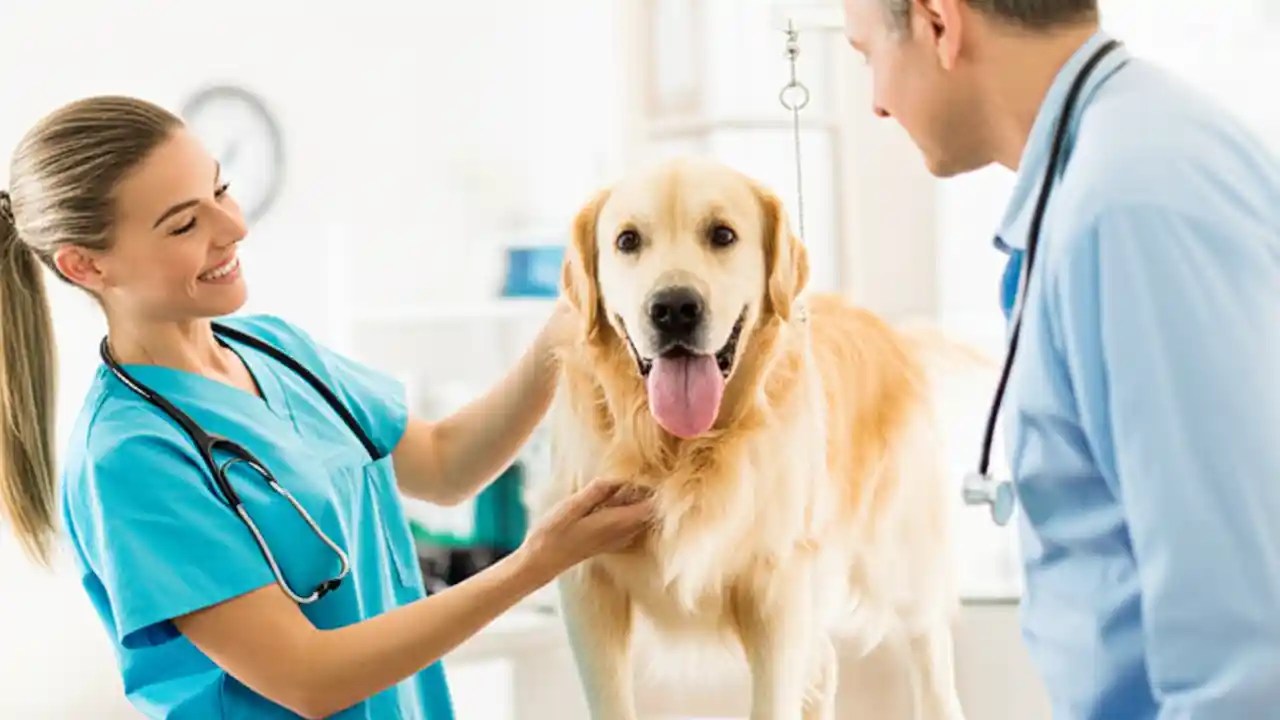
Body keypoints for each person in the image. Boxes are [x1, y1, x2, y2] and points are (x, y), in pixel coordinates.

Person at [0, 95, 655, 719]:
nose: (234, 228)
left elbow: (446, 465)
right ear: (86, 266)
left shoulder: (276, 349)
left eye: (221, 191)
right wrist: (540, 560)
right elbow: (310, 679)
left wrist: (566, 324)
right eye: (185, 223)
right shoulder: (130, 457)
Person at [842, 0, 1280, 718]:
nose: (876, 104)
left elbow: (1247, 658)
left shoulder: (1133, 205)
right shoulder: (1118, 162)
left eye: (868, 58)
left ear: (938, 24)